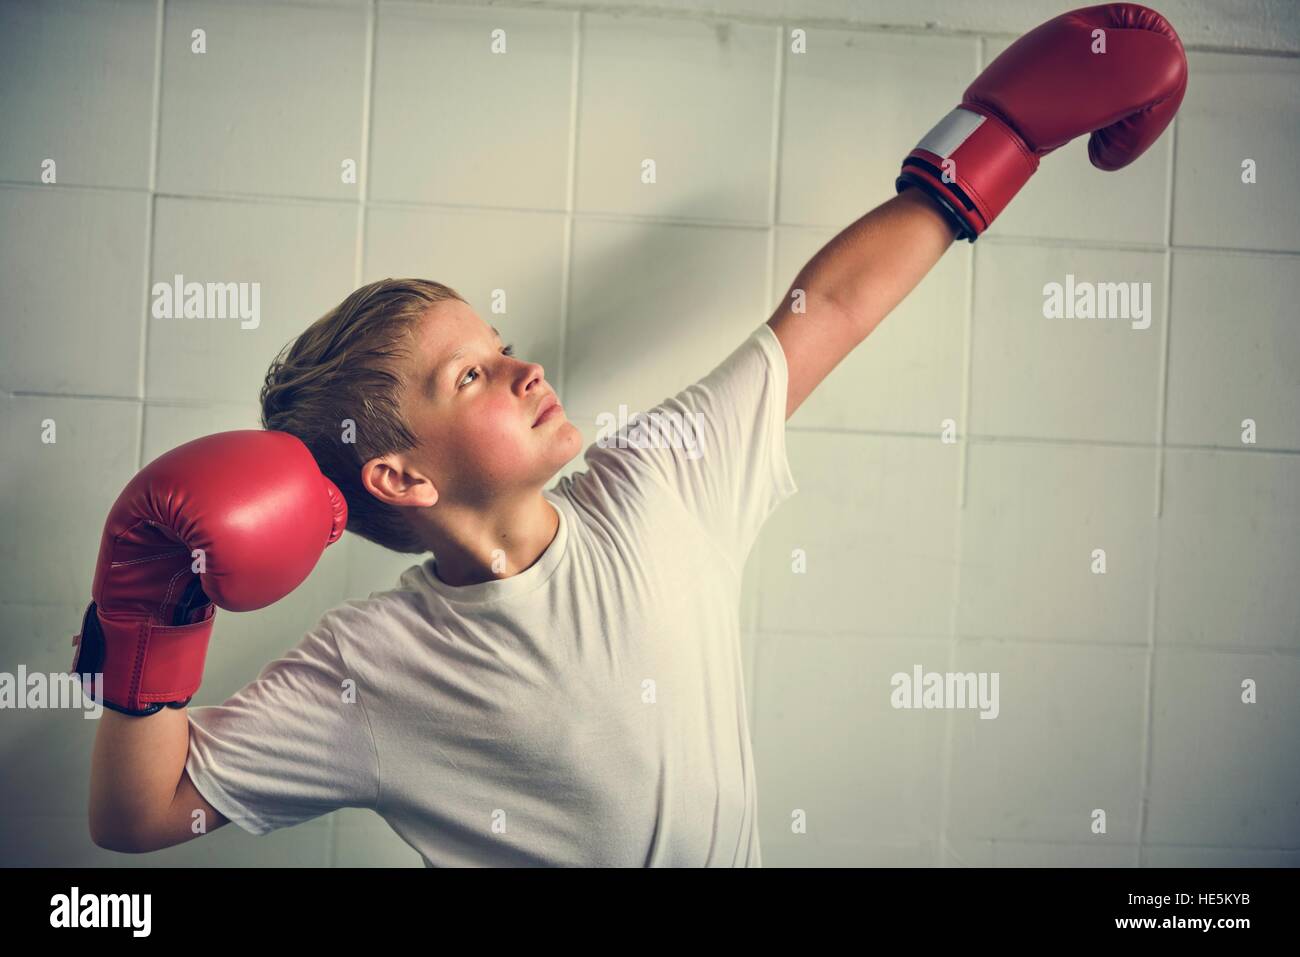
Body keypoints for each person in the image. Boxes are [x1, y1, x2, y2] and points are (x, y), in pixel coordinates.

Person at [78, 4, 1186, 865]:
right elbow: (138, 819)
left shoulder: (653, 484)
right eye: (473, 373)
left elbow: (826, 311)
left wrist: (995, 139)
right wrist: (152, 616)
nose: (525, 368)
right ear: (399, 474)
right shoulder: (370, 665)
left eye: (500, 342)